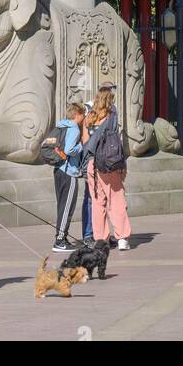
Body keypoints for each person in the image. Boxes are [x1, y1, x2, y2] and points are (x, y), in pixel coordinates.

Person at [84, 84, 131, 251]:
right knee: (117, 200)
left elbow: (85, 142)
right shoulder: (112, 115)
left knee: (98, 203)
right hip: (111, 164)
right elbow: (116, 142)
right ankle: (122, 237)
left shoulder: (90, 117)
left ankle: (101, 239)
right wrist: (122, 164)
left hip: (93, 164)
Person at [51, 101, 87, 253]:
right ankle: (59, 240)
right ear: (78, 115)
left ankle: (62, 237)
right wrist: (83, 144)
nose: (84, 117)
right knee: (67, 207)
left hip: (58, 169)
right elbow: (70, 149)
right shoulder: (73, 128)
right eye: (83, 114)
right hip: (69, 172)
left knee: (62, 205)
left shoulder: (61, 125)